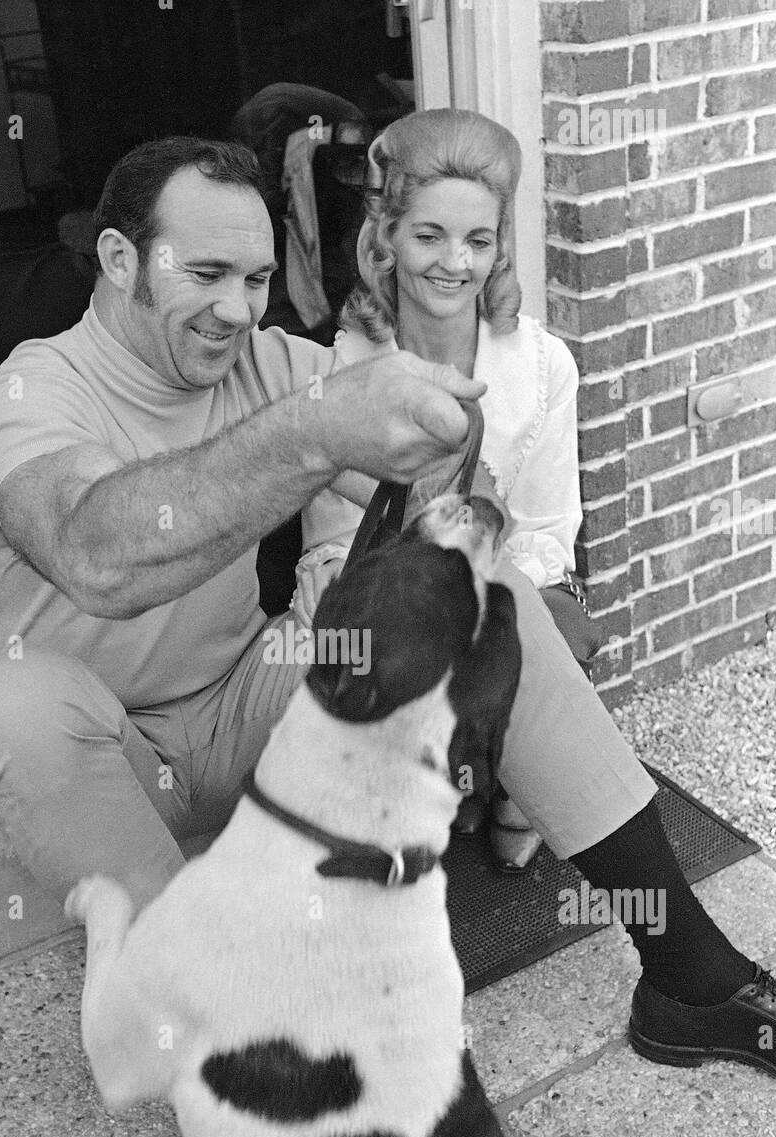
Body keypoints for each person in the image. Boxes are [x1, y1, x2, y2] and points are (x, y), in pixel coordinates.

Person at [0, 137, 776, 1093]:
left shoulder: (267, 363)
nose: (237, 309)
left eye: (259, 278)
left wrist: (434, 426)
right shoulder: (28, 395)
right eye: (209, 274)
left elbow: (425, 478)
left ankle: (689, 980)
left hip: (244, 707)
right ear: (118, 260)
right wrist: (311, 434)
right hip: (111, 759)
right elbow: (97, 552)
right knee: (10, 703)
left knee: (480, 589)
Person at [295, 108, 603, 872]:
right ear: (386, 239)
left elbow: (548, 529)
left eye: (478, 240)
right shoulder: (333, 370)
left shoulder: (542, 367)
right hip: (379, 597)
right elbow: (329, 545)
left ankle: (501, 784)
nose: (453, 263)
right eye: (428, 235)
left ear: (501, 247)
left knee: (549, 623)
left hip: (502, 589)